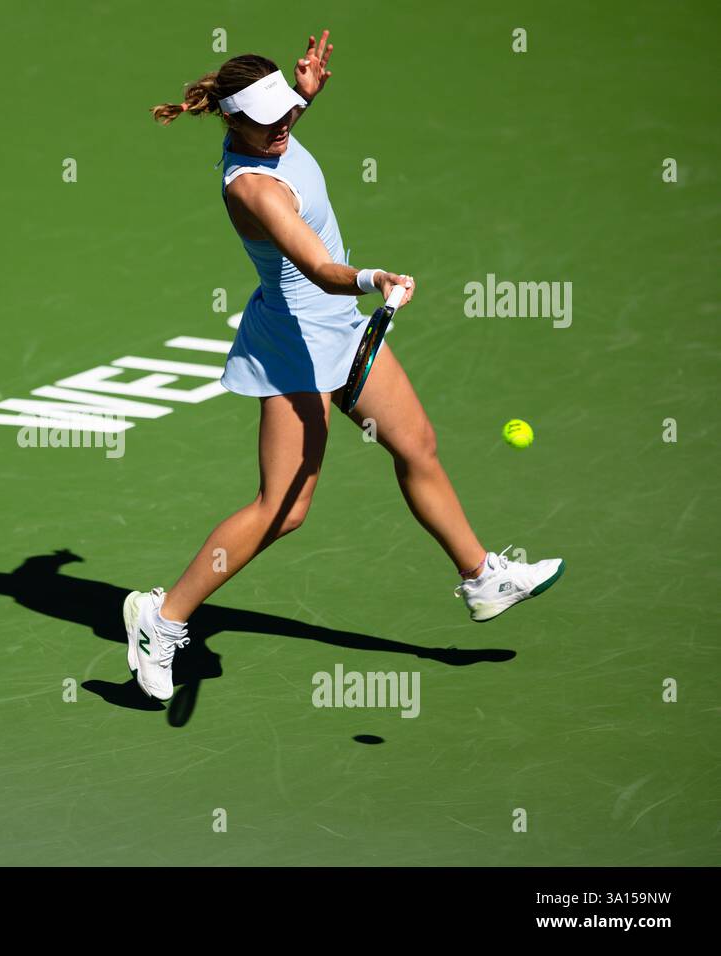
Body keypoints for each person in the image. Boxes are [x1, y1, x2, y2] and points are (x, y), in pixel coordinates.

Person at [124, 32, 565, 701]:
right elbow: (320, 268)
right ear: (236, 122)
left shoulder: (269, 121)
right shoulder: (255, 192)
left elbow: (285, 116)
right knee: (286, 507)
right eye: (269, 119)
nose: (283, 126)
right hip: (296, 346)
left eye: (285, 113)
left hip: (338, 332)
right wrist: (371, 277)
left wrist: (303, 94)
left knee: (416, 445)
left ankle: (483, 578)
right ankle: (161, 617)